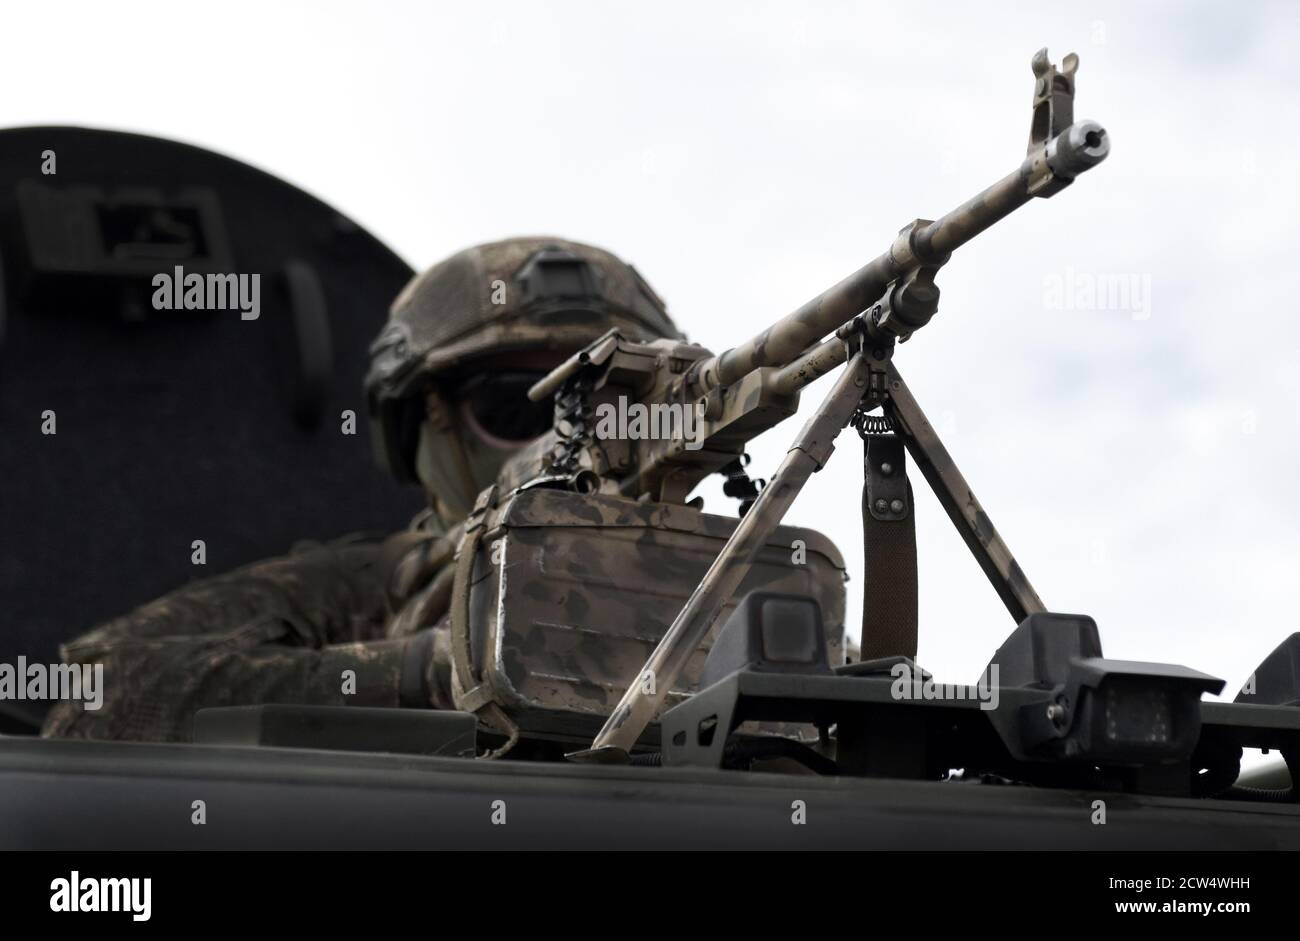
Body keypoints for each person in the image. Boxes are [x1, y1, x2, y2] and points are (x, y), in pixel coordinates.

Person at [42, 236, 684, 741]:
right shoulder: (360, 590)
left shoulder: (741, 582)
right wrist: (434, 670)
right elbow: (94, 688)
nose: (571, 438)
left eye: (611, 410)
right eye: (516, 408)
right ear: (425, 424)